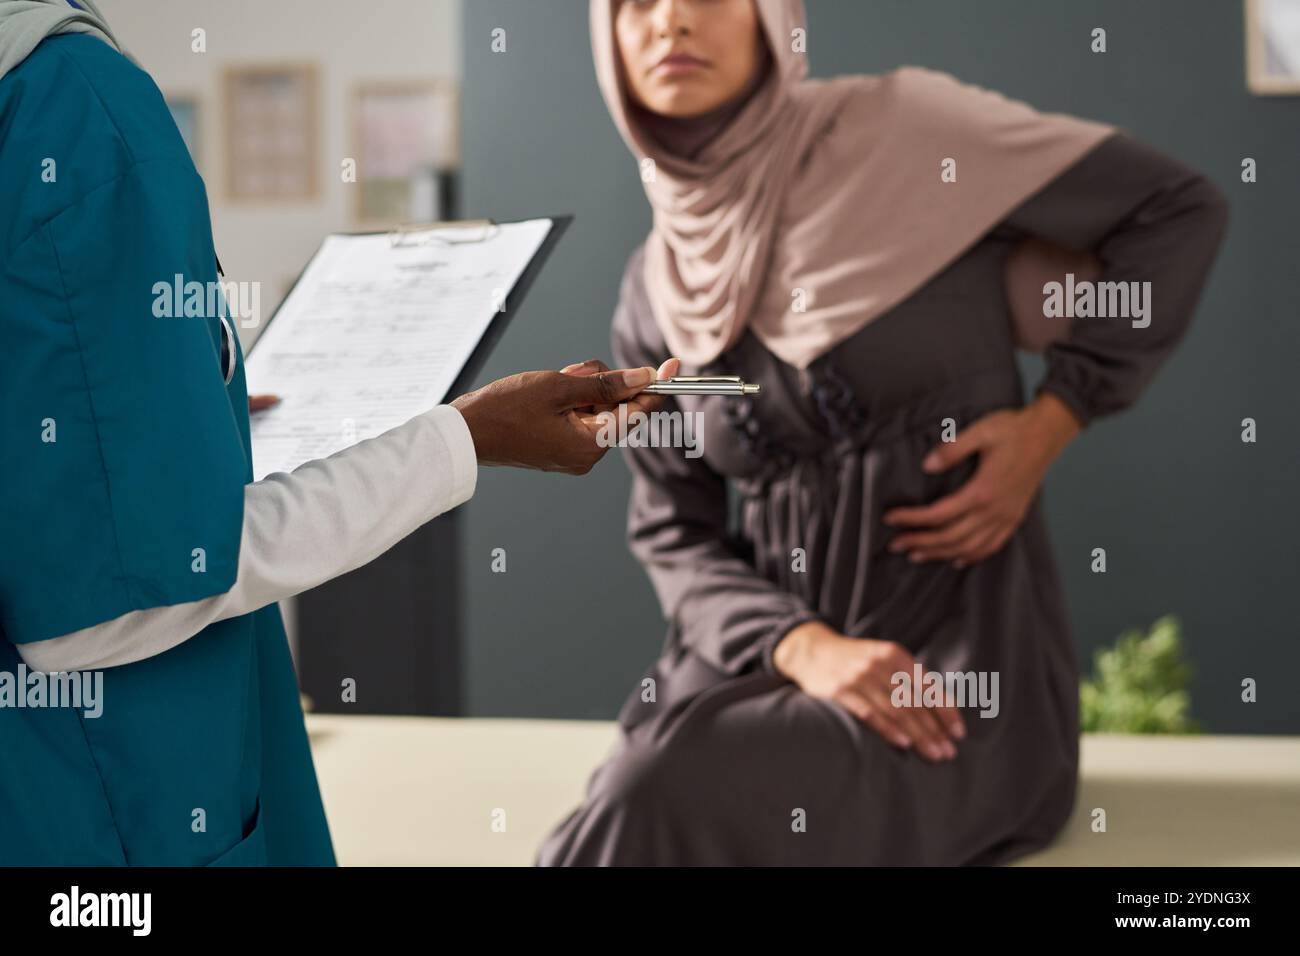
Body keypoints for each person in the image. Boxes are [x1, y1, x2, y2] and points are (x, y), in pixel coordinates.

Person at [538, 0, 1229, 865]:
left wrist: (1055, 419)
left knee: (659, 794)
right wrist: (805, 648)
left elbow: (1178, 209)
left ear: (770, 17)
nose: (670, 20)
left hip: (948, 675)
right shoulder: (657, 286)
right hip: (766, 658)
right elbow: (674, 531)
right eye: (634, 1)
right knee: (644, 785)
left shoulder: (908, 133)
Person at [0, 0, 674, 866]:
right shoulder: (72, 103)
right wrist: (467, 441)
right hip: (118, 811)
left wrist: (181, 424)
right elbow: (106, 608)